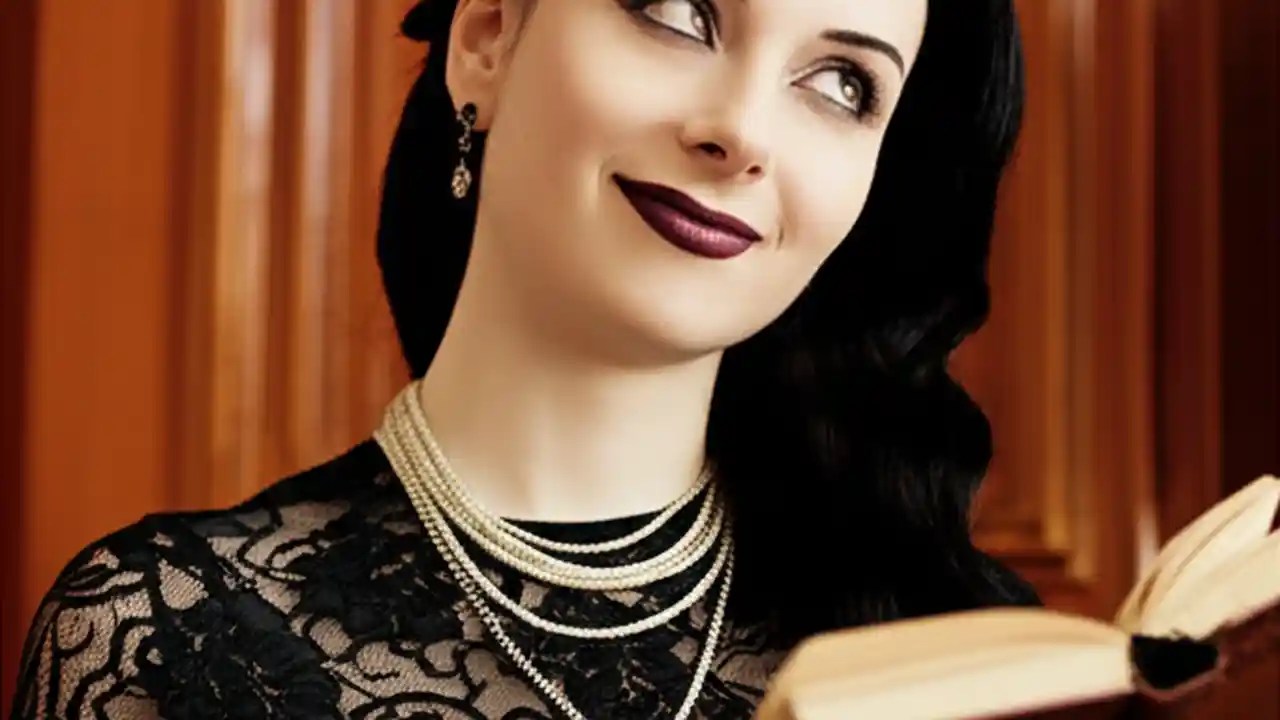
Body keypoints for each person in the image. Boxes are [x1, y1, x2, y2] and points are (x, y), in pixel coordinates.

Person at [10, 0, 1039, 717]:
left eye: (842, 83)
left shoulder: (955, 658)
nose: (740, 131)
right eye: (677, 12)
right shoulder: (162, 634)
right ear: (487, 37)